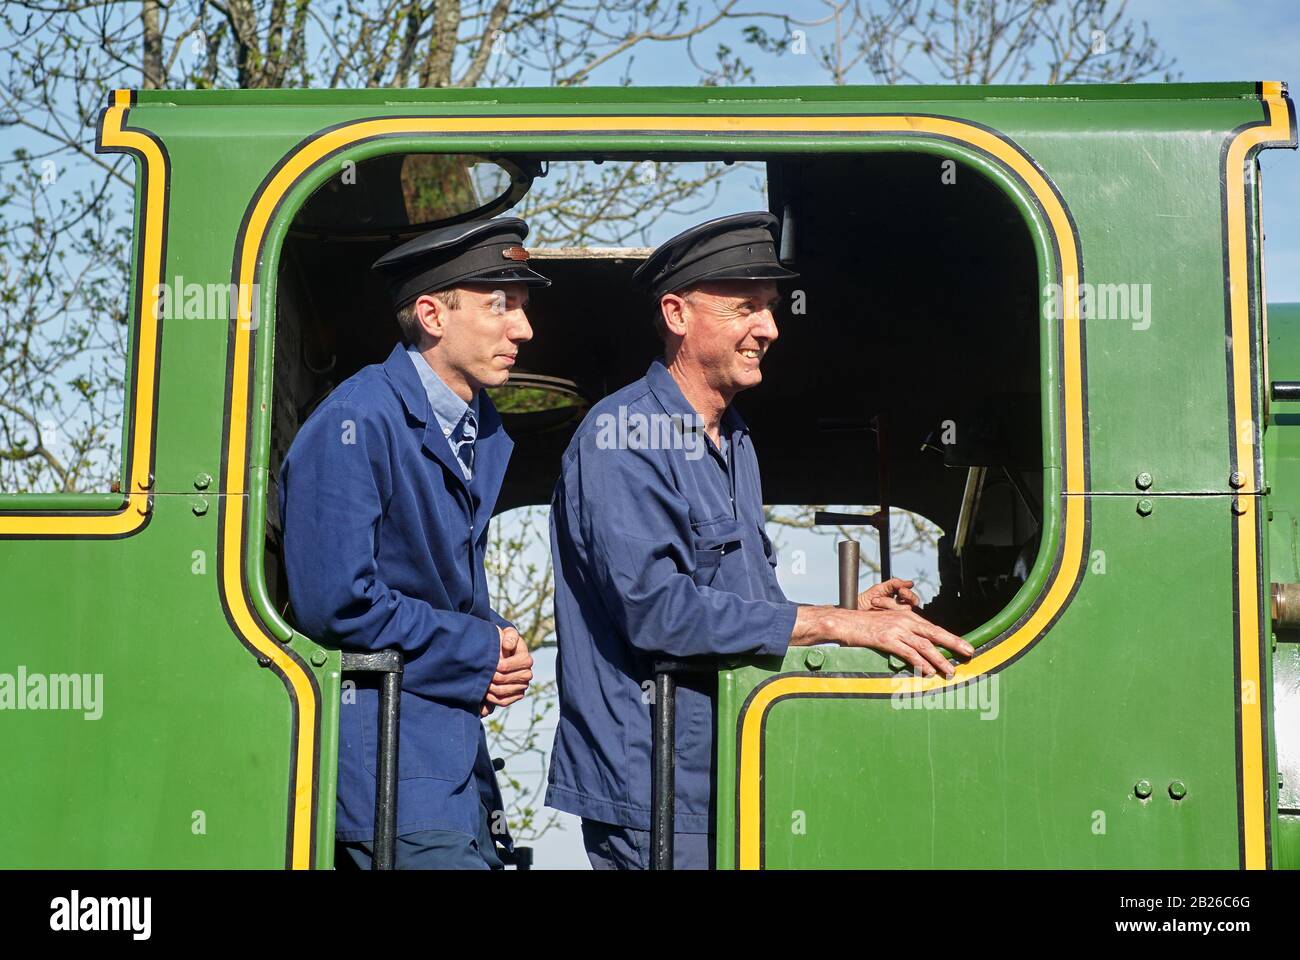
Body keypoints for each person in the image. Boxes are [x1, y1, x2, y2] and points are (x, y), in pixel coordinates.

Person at [545, 211, 973, 869]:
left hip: (731, 770)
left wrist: (852, 613)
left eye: (771, 309)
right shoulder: (623, 434)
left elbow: (743, 602)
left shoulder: (735, 439)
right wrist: (830, 624)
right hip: (660, 791)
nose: (770, 328)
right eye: (746, 308)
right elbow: (657, 612)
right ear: (677, 314)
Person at [279, 217, 547, 869]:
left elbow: (437, 590)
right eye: (500, 306)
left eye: (522, 309)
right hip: (385, 770)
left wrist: (501, 636)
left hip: (453, 774)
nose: (523, 329)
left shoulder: (478, 430)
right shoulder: (355, 420)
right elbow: (338, 603)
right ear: (432, 313)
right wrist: (479, 648)